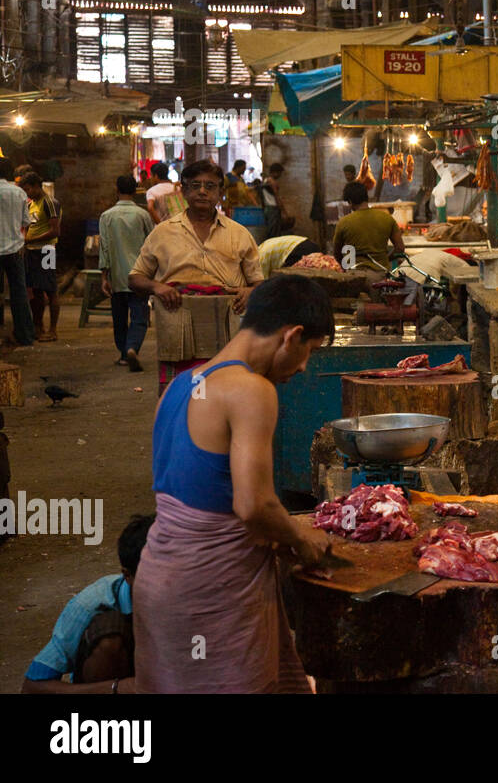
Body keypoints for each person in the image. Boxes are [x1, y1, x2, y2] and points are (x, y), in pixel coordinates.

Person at [132, 275, 334, 693]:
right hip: (210, 592)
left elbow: (200, 493)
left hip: (160, 584)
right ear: (291, 335)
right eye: (308, 352)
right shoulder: (250, 390)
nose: (302, 368)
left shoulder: (178, 386)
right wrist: (302, 540)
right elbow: (253, 506)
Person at [128, 159, 263, 391]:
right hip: (177, 328)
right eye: (195, 185)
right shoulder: (163, 232)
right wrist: (157, 287)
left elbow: (260, 283)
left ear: (221, 192)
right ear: (183, 189)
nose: (202, 191)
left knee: (225, 396)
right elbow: (135, 278)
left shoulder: (239, 234)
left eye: (210, 186)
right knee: (178, 397)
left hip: (227, 327)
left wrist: (250, 291)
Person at [22, 514, 156, 694]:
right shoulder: (90, 605)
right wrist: (117, 688)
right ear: (128, 575)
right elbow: (32, 687)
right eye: (153, 575)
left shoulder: (190, 593)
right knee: (109, 633)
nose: (165, 583)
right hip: (121, 684)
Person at [99, 175, 154, 372]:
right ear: (135, 190)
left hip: (117, 275)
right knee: (139, 316)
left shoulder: (106, 216)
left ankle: (124, 354)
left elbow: (104, 248)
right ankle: (132, 348)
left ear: (117, 189)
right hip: (140, 275)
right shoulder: (143, 215)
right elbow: (151, 244)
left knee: (119, 317)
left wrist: (104, 277)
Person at [19, 172, 61, 342]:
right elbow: (29, 227)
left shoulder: (50, 203)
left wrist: (31, 239)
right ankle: (39, 327)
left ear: (37, 186)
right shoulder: (31, 205)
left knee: (50, 290)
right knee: (35, 291)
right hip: (32, 252)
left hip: (47, 251)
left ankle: (53, 329)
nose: (27, 193)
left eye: (28, 189)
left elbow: (55, 231)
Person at [334, 180, 404, 275]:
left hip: (354, 275)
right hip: (381, 274)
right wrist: (386, 259)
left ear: (350, 201)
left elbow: (337, 253)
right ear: (366, 197)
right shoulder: (387, 218)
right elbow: (400, 248)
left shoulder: (343, 222)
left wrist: (347, 268)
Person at [0, 159, 35, 346]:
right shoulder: (19, 192)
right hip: (15, 249)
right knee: (19, 294)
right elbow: (25, 222)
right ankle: (26, 336)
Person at [257, 234, 322, 279]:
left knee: (288, 283)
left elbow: (261, 283)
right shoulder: (261, 248)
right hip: (306, 244)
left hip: (298, 249)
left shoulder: (258, 259)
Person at [259, 162, 294, 237]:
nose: (280, 175)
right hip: (273, 209)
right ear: (275, 172)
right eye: (280, 173)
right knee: (274, 232)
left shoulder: (265, 181)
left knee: (270, 230)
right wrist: (284, 212)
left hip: (267, 209)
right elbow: (277, 197)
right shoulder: (272, 182)